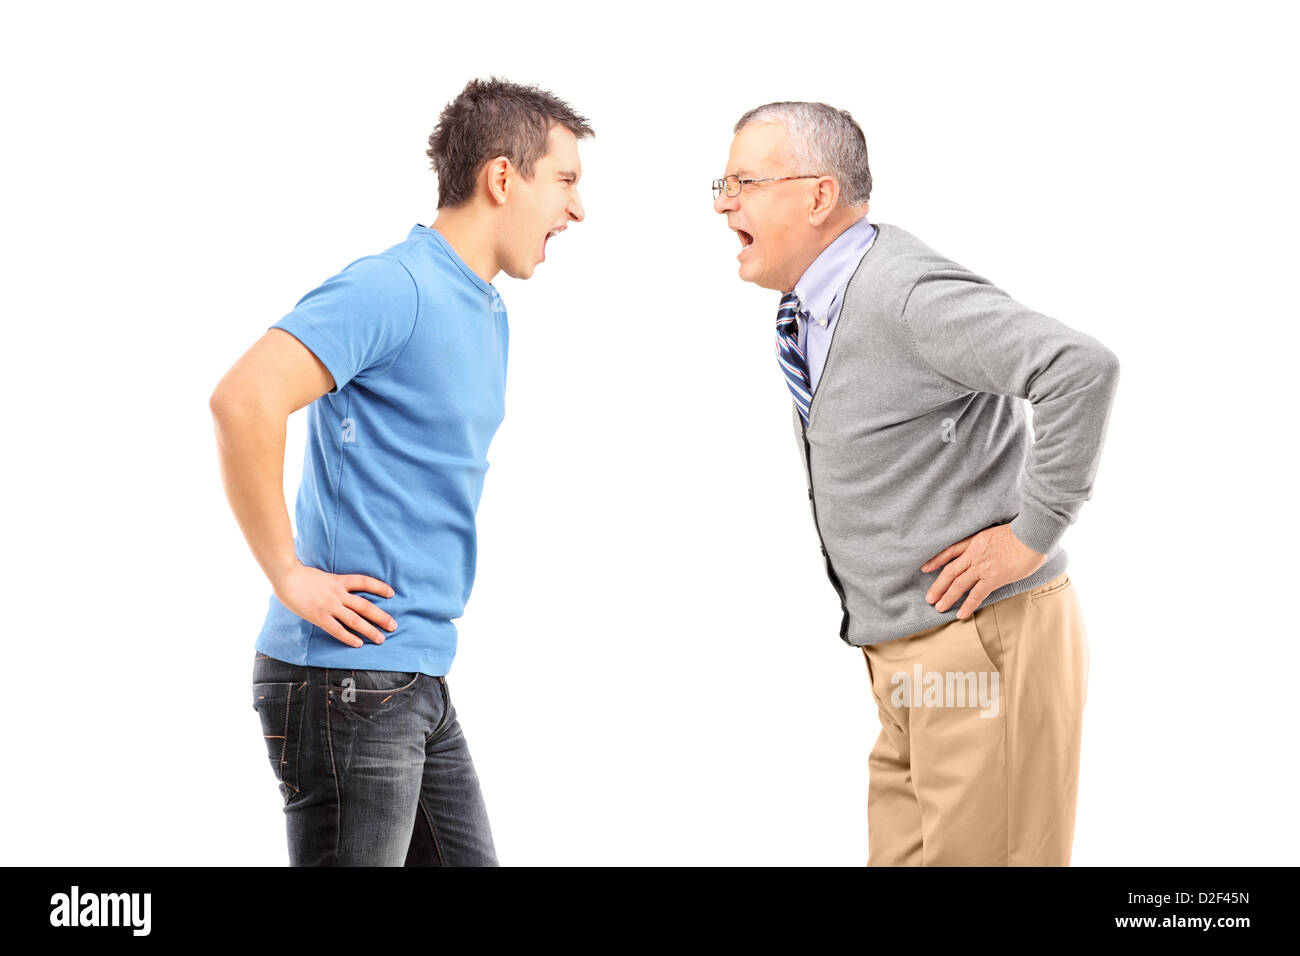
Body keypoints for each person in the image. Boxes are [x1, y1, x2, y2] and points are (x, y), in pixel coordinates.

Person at [712, 101, 1120, 866]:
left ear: (817, 195)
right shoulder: (815, 306)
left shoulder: (902, 294)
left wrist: (1033, 533)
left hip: (978, 640)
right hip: (902, 656)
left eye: (743, 182)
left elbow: (1079, 368)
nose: (724, 202)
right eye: (721, 184)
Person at [210, 77, 591, 866]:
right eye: (565, 181)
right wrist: (288, 572)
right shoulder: (396, 286)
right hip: (347, 682)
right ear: (500, 178)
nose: (577, 210)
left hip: (411, 674)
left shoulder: (484, 307)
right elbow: (243, 399)